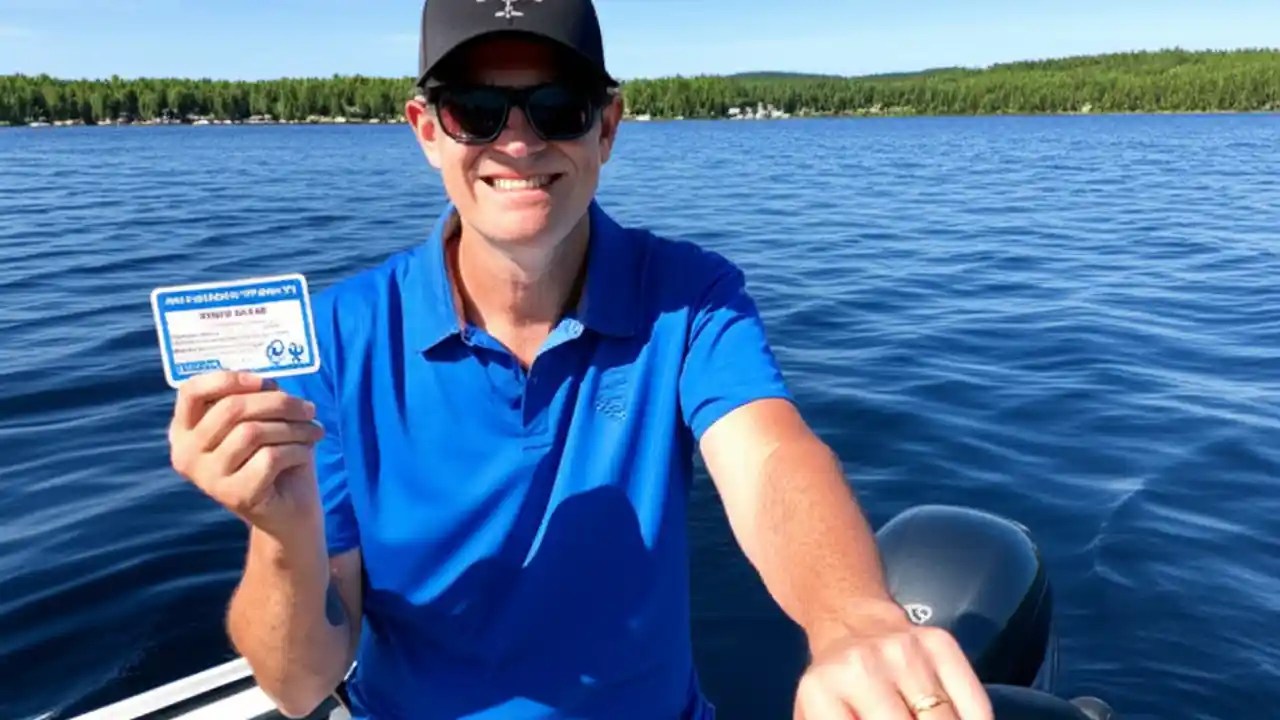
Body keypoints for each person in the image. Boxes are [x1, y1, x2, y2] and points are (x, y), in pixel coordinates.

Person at [166, 1, 993, 718]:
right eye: (477, 111)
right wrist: (282, 534)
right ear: (427, 130)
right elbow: (301, 684)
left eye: (556, 107)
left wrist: (852, 618)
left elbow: (770, 455)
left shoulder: (689, 296)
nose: (517, 143)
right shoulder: (338, 339)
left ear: (606, 128)